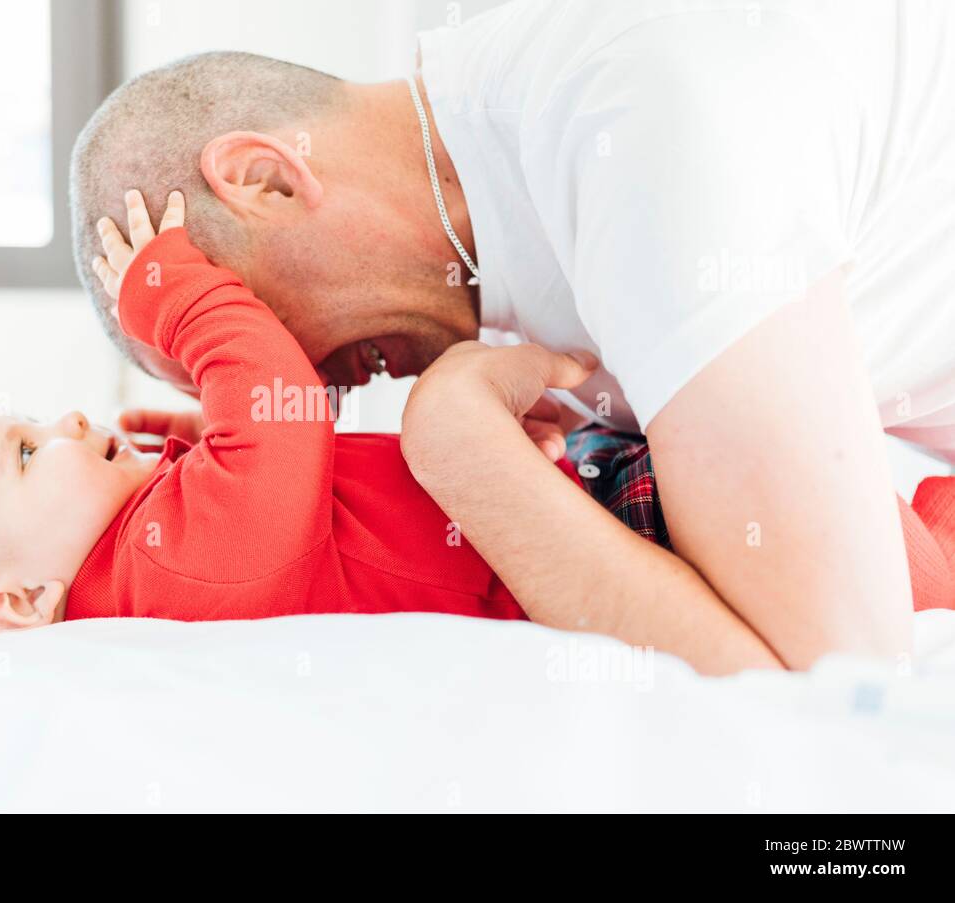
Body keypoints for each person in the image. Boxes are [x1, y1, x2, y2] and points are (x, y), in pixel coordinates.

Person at [70, 1, 955, 669]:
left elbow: (832, 677)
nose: (318, 393)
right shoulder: (512, 186)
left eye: (236, 325)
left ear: (266, 180)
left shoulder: (634, 133)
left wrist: (468, 457)